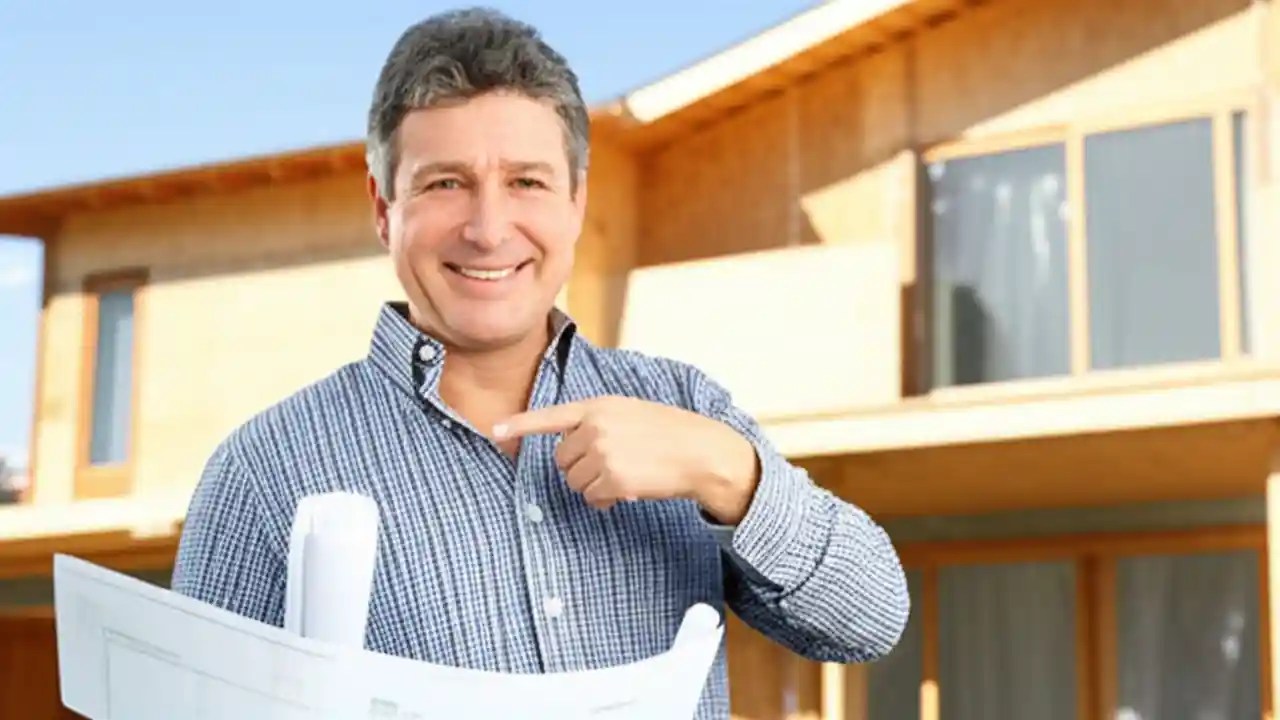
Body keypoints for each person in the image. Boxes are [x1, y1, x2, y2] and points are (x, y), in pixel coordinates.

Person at [171, 7, 909, 718]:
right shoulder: (264, 473)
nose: (489, 230)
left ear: (576, 202)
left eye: (526, 181)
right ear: (382, 207)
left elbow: (870, 620)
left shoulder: (681, 409)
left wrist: (729, 473)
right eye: (445, 183)